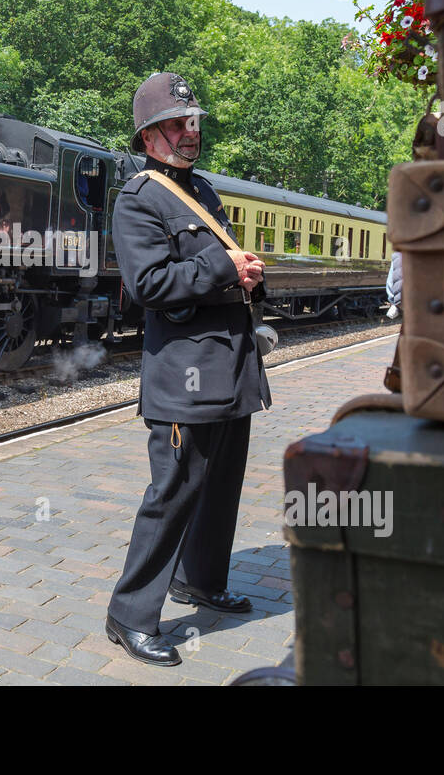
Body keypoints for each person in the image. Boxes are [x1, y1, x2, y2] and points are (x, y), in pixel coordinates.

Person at [105, 71, 271, 667]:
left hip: (230, 370)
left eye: (191, 122)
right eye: (174, 125)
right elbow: (150, 286)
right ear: (148, 137)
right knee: (172, 490)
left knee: (219, 485)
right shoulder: (138, 199)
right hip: (185, 375)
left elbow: (218, 264)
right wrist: (227, 269)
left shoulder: (201, 190)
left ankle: (199, 580)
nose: (187, 132)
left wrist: (249, 273)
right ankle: (129, 614)